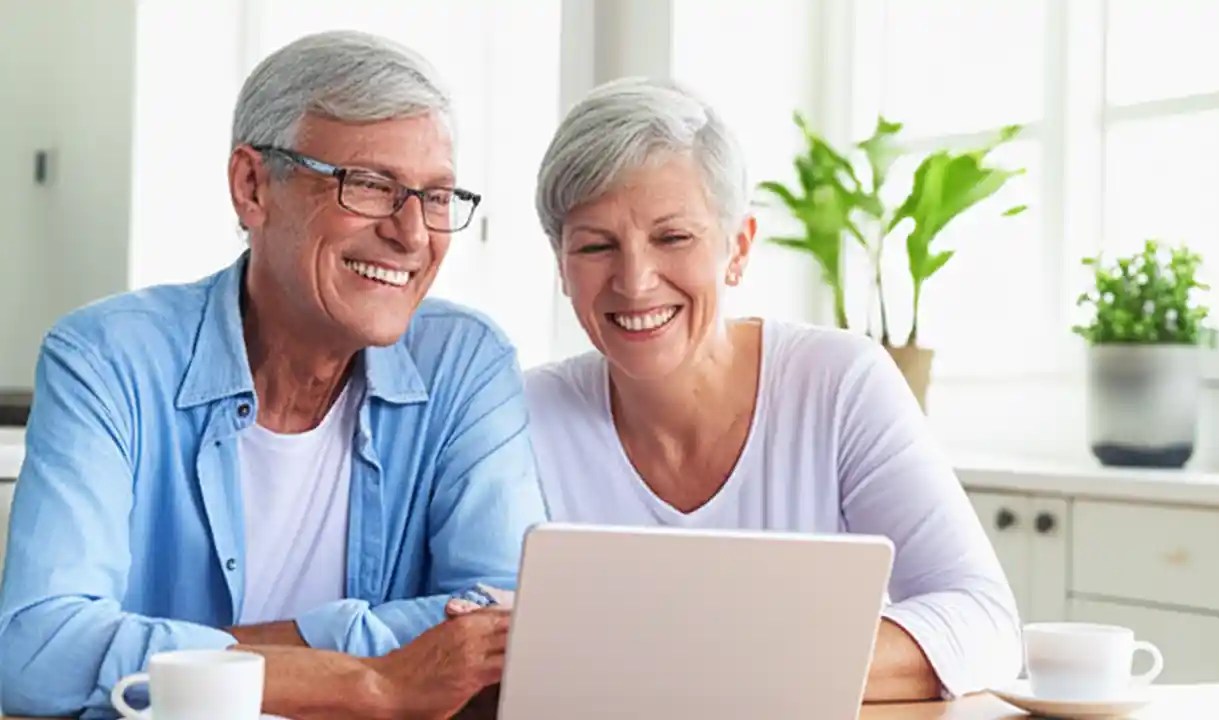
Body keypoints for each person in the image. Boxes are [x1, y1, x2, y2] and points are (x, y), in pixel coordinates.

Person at [0, 31, 546, 719]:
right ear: (251, 186)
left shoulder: (465, 365)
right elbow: (36, 652)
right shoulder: (106, 360)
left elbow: (507, 630)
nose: (412, 235)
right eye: (372, 185)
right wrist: (367, 680)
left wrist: (207, 666)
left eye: (435, 197)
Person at [523, 77, 1021, 701]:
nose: (635, 280)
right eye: (596, 246)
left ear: (738, 249)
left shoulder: (840, 384)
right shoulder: (522, 417)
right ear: (562, 269)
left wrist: (710, 662)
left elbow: (985, 625)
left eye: (673, 237)